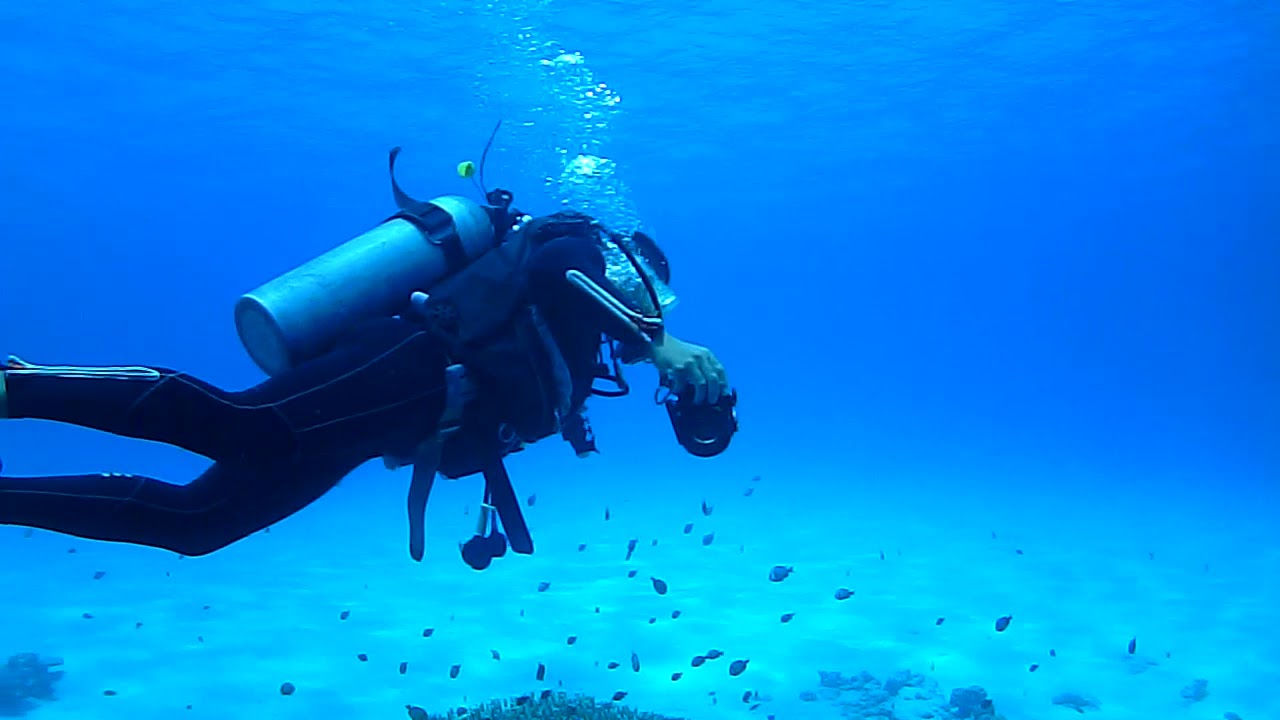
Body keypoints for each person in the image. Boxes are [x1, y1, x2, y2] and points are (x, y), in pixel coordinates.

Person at [0, 144, 739, 569]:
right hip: (406, 361)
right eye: (651, 299)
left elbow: (513, 417)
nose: (649, 317)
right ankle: (16, 388)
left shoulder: (582, 351)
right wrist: (661, 339)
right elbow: (553, 276)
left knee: (200, 525)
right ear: (628, 269)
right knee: (238, 425)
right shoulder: (575, 241)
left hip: (387, 423)